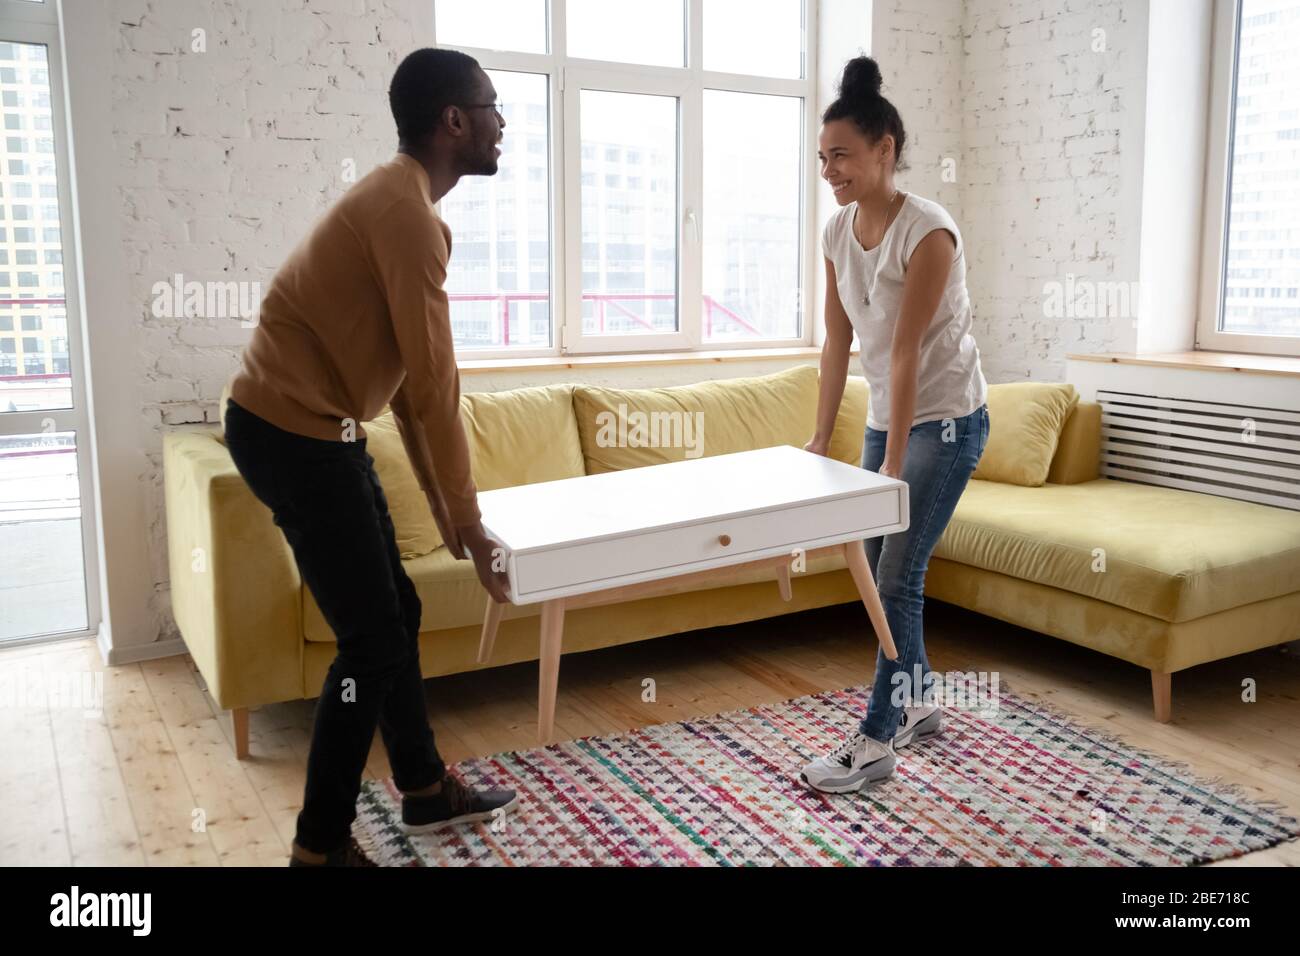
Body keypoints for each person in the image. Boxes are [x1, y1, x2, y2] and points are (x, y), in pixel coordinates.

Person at [223, 48, 517, 865]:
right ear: (453, 121)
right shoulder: (405, 216)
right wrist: (468, 518)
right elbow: (434, 388)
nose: (502, 124)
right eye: (493, 108)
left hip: (322, 433)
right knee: (371, 641)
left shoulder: (406, 208)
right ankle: (318, 846)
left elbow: (402, 391)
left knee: (397, 616)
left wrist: (452, 516)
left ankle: (423, 790)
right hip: (290, 434)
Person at [800, 56, 990, 794]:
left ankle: (876, 739)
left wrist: (889, 465)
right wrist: (823, 438)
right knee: (884, 582)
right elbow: (836, 342)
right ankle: (917, 702)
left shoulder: (929, 233)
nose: (829, 170)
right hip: (889, 419)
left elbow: (908, 348)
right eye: (822, 157)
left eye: (840, 154)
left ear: (884, 150)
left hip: (945, 423)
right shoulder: (835, 232)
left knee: (896, 577)